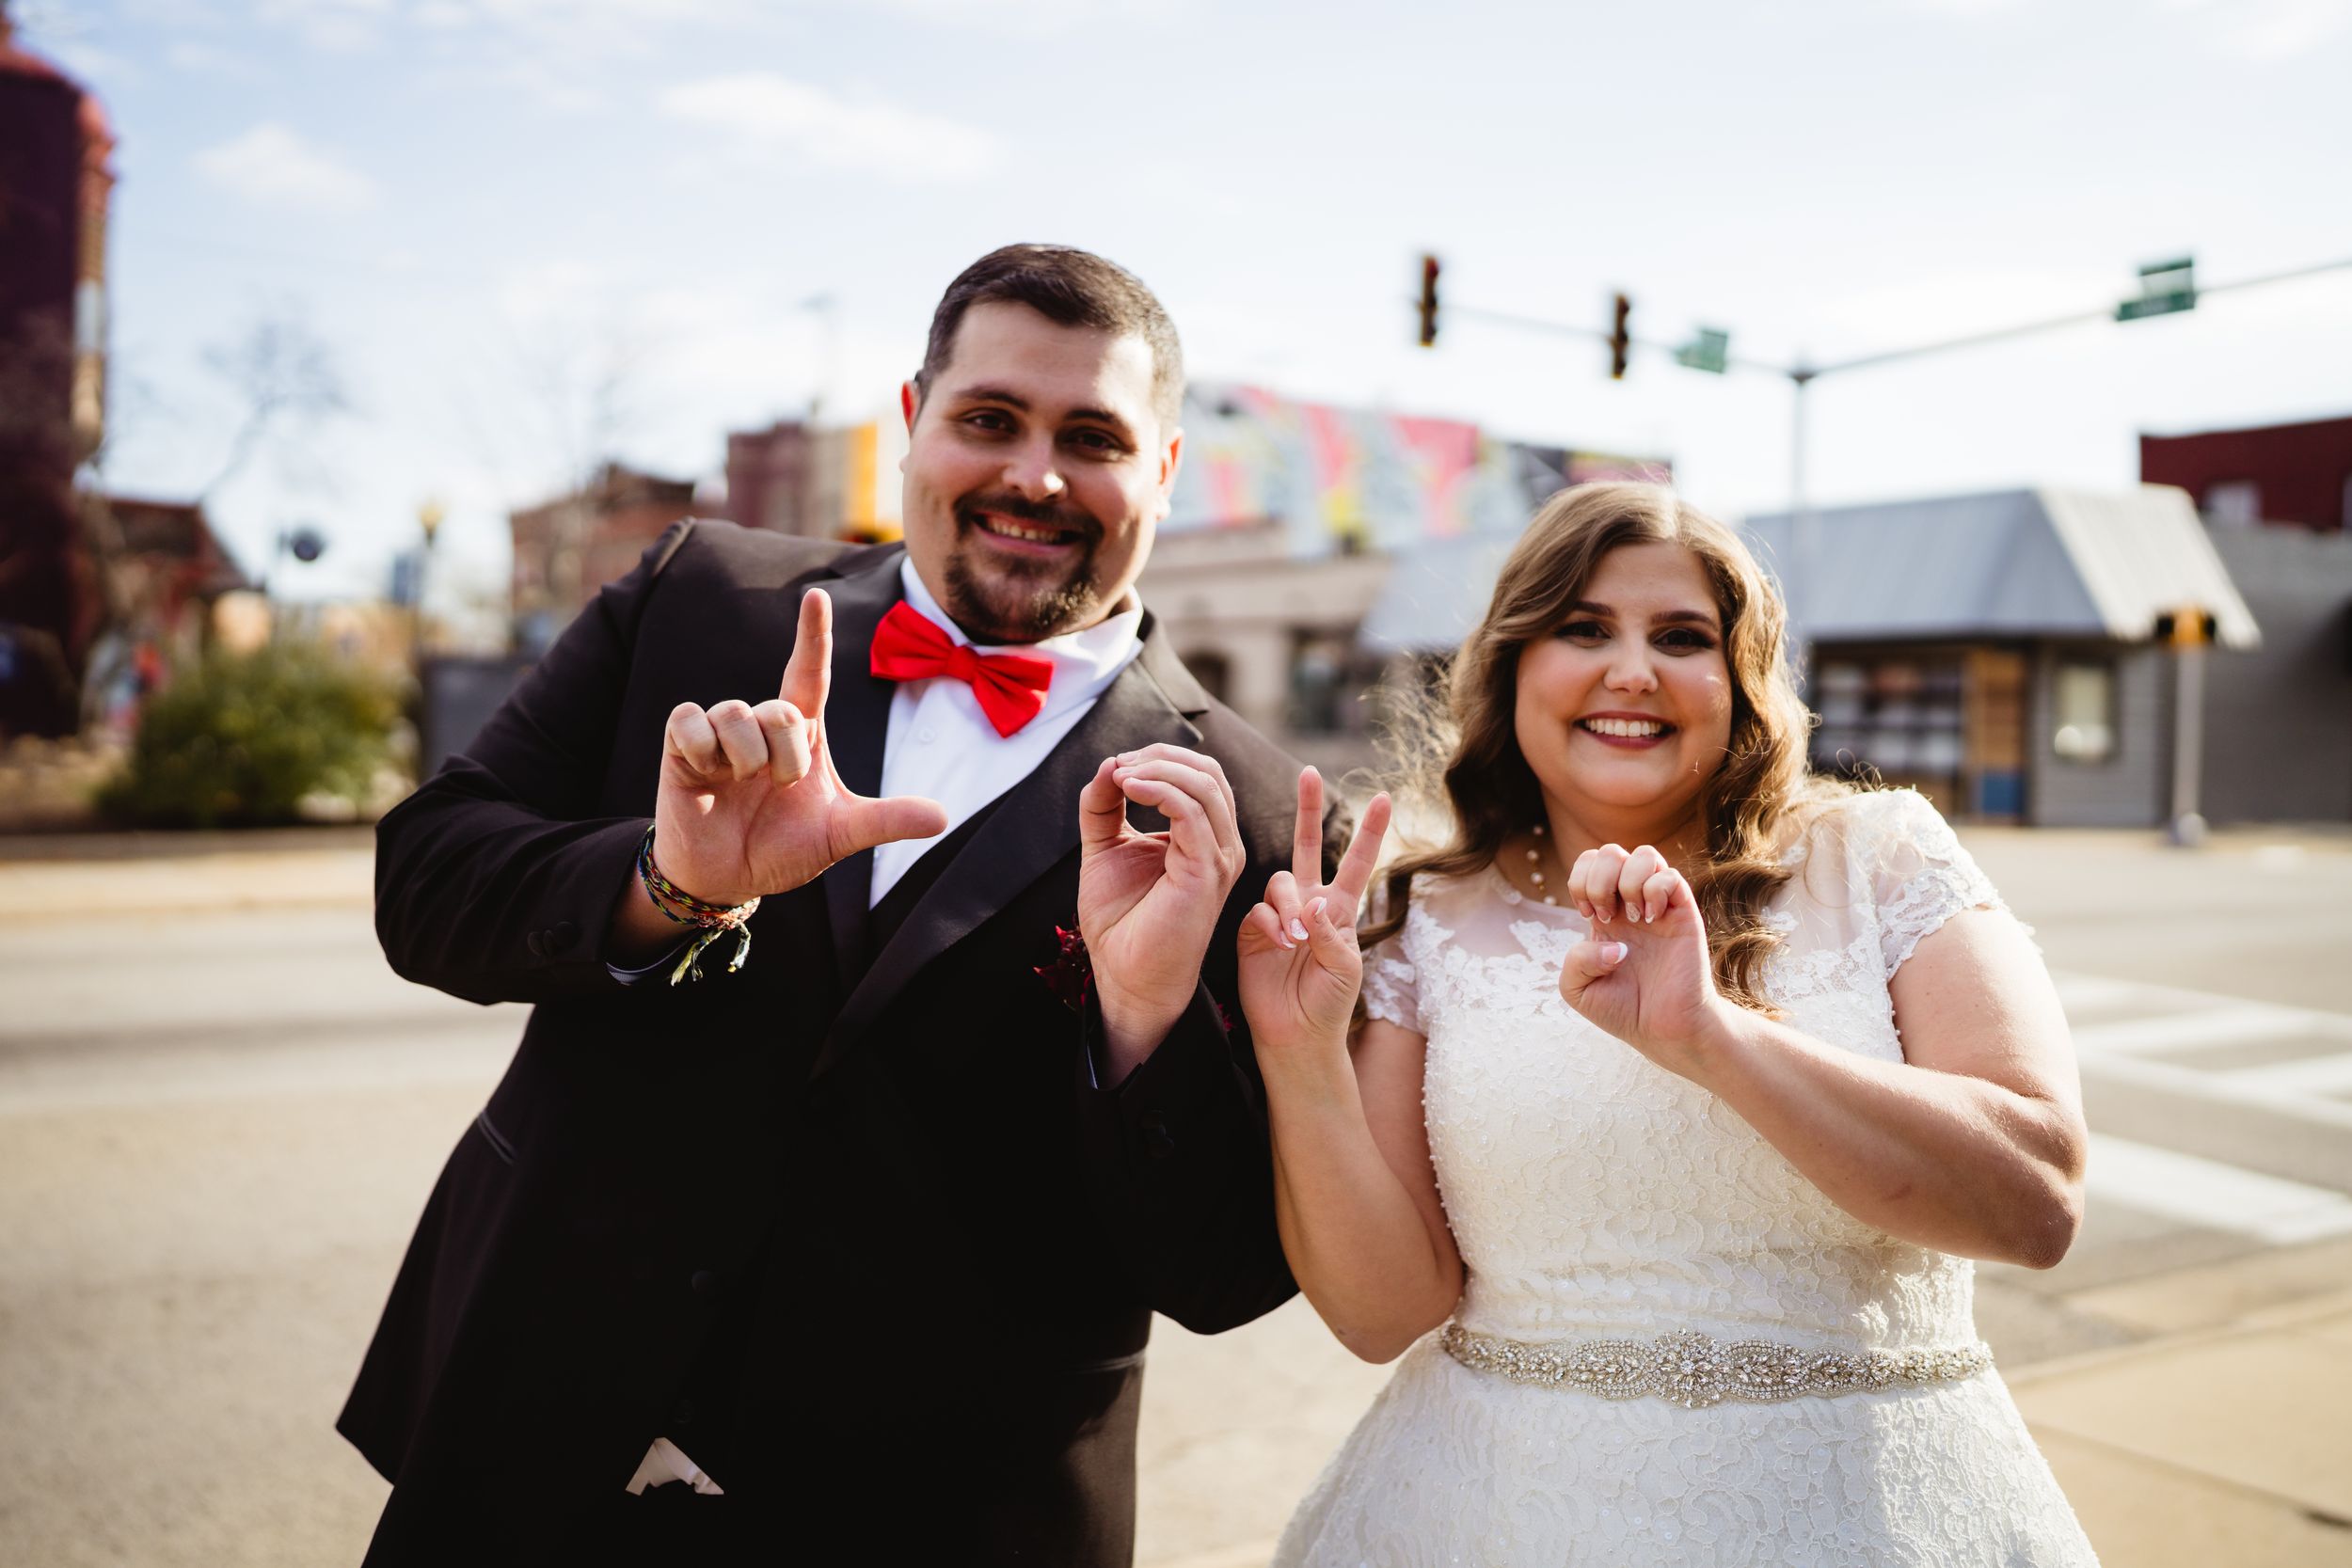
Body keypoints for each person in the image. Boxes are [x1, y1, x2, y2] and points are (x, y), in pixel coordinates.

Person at [341, 245, 1329, 1566]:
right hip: (536, 1436)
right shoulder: (698, 599)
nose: (1034, 473)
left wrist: (1140, 1024)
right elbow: (426, 880)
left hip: (942, 1513)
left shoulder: (1249, 810)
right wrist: (667, 884)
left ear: (1162, 468)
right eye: (989, 417)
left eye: (1092, 436)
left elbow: (1218, 1271)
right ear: (911, 420)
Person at [1236, 482, 2101, 1565]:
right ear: (1512, 667)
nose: (1631, 669)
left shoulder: (1878, 853)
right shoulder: (1424, 920)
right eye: (1582, 627)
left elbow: (2037, 1200)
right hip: (1497, 1515)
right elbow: (1380, 1313)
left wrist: (1710, 1037)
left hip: (1870, 1515)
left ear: (1738, 684)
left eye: (1681, 636)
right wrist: (1298, 1051)